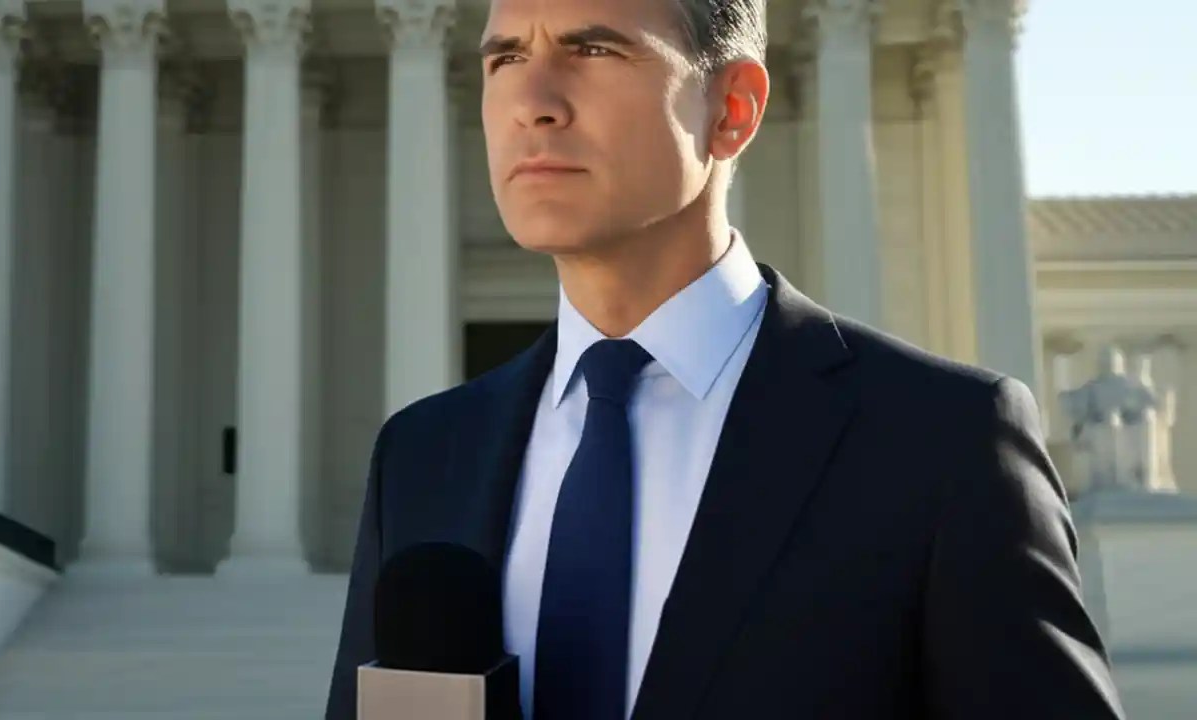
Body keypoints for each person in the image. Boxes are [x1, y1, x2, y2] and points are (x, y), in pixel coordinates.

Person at [325, 0, 1124, 717]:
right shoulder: (423, 454)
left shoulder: (943, 444)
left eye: (594, 51)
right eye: (505, 58)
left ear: (732, 109)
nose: (530, 104)